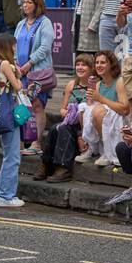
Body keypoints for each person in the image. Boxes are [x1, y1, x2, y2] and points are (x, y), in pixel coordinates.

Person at [33, 54, 97, 182]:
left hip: (86, 125)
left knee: (64, 129)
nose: (80, 67)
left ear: (91, 68)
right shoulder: (71, 84)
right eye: (78, 64)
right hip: (70, 121)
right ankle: (46, 164)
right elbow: (62, 108)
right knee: (53, 128)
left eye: (84, 65)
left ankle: (64, 168)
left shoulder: (96, 85)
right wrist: (66, 112)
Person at [0, 34, 26, 209]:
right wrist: (18, 74)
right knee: (13, 157)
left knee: (8, 155)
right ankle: (6, 195)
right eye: (14, 45)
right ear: (8, 47)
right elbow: (18, 86)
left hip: (1, 112)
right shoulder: (6, 64)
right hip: (9, 113)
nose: (16, 48)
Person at [76, 49, 130, 171]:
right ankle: (90, 147)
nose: (99, 65)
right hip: (103, 118)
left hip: (119, 119)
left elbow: (125, 109)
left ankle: (107, 151)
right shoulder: (98, 84)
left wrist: (100, 98)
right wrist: (91, 100)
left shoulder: (119, 82)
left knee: (97, 110)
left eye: (103, 62)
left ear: (111, 64)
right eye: (97, 62)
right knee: (83, 108)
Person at [14, 0, 55, 151]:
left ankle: (36, 143)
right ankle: (21, 141)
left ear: (37, 5)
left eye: (29, 2)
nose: (25, 5)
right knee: (21, 105)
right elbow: (14, 46)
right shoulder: (21, 24)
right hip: (21, 72)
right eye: (24, 2)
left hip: (37, 72)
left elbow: (45, 48)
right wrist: (16, 63)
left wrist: (29, 63)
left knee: (37, 104)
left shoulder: (45, 23)